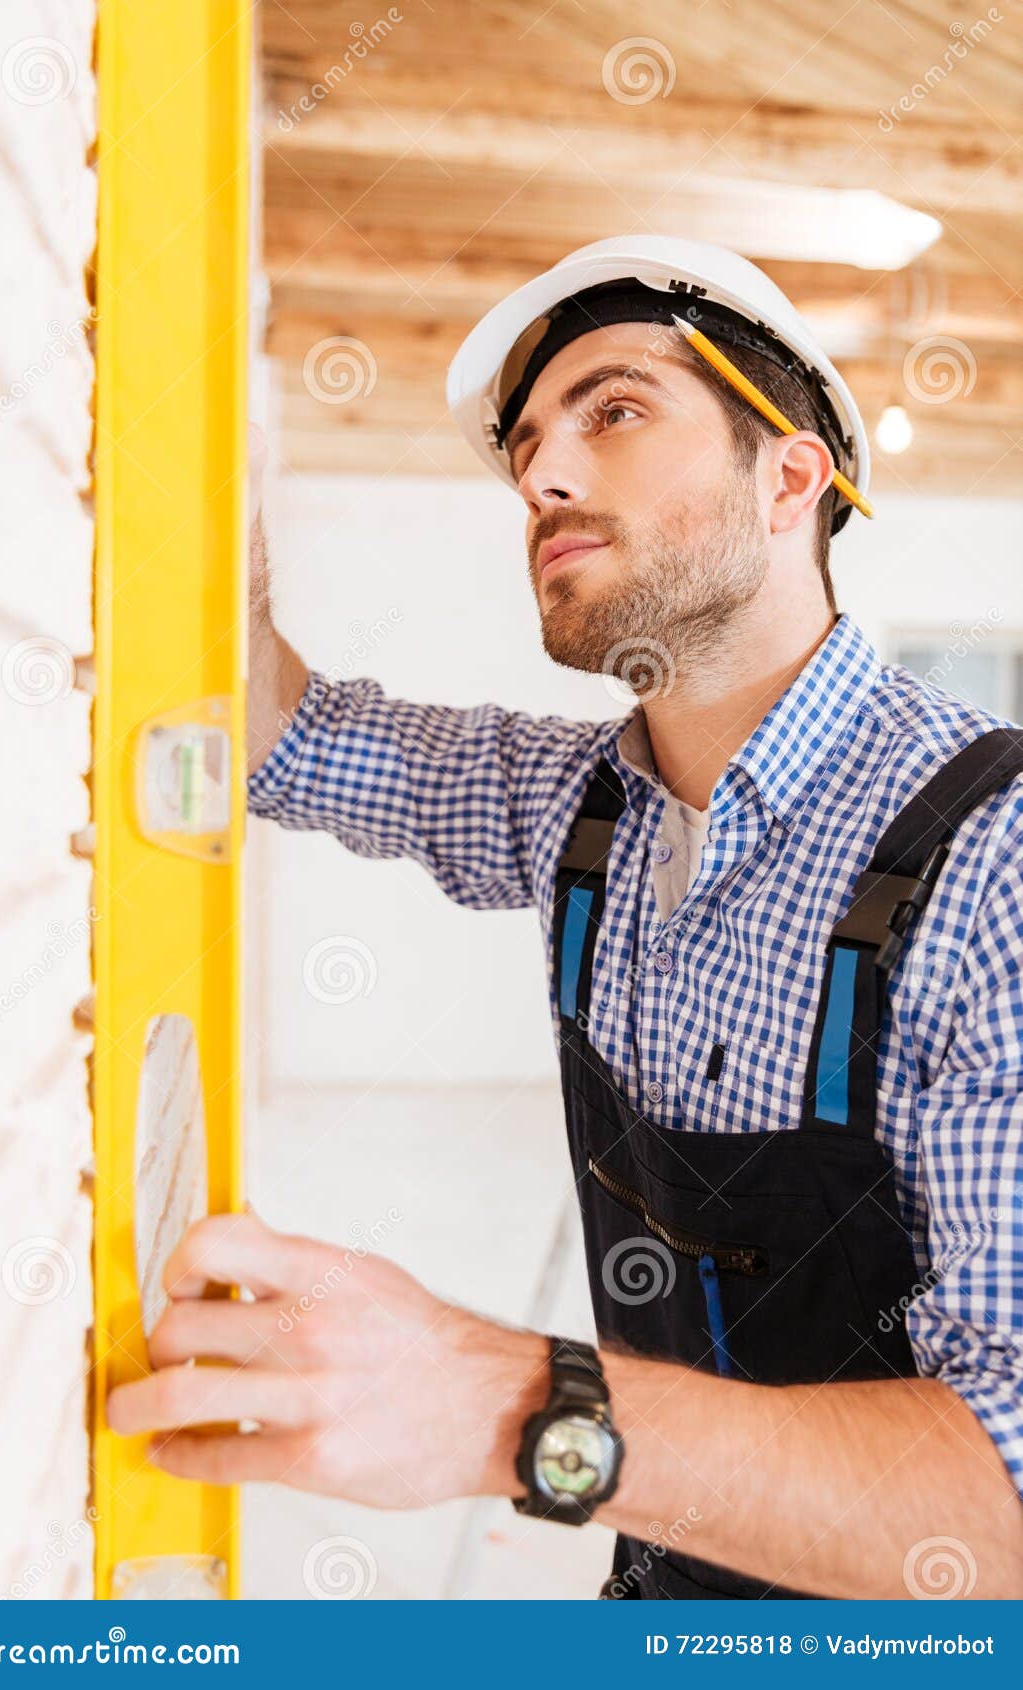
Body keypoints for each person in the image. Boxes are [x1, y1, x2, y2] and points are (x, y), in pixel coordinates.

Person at [109, 238, 1023, 1600]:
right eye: (530, 444)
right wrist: (171, 394)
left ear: (791, 479)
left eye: (615, 410)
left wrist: (501, 1404)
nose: (540, 476)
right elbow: (277, 729)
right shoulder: (581, 807)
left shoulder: (992, 858)